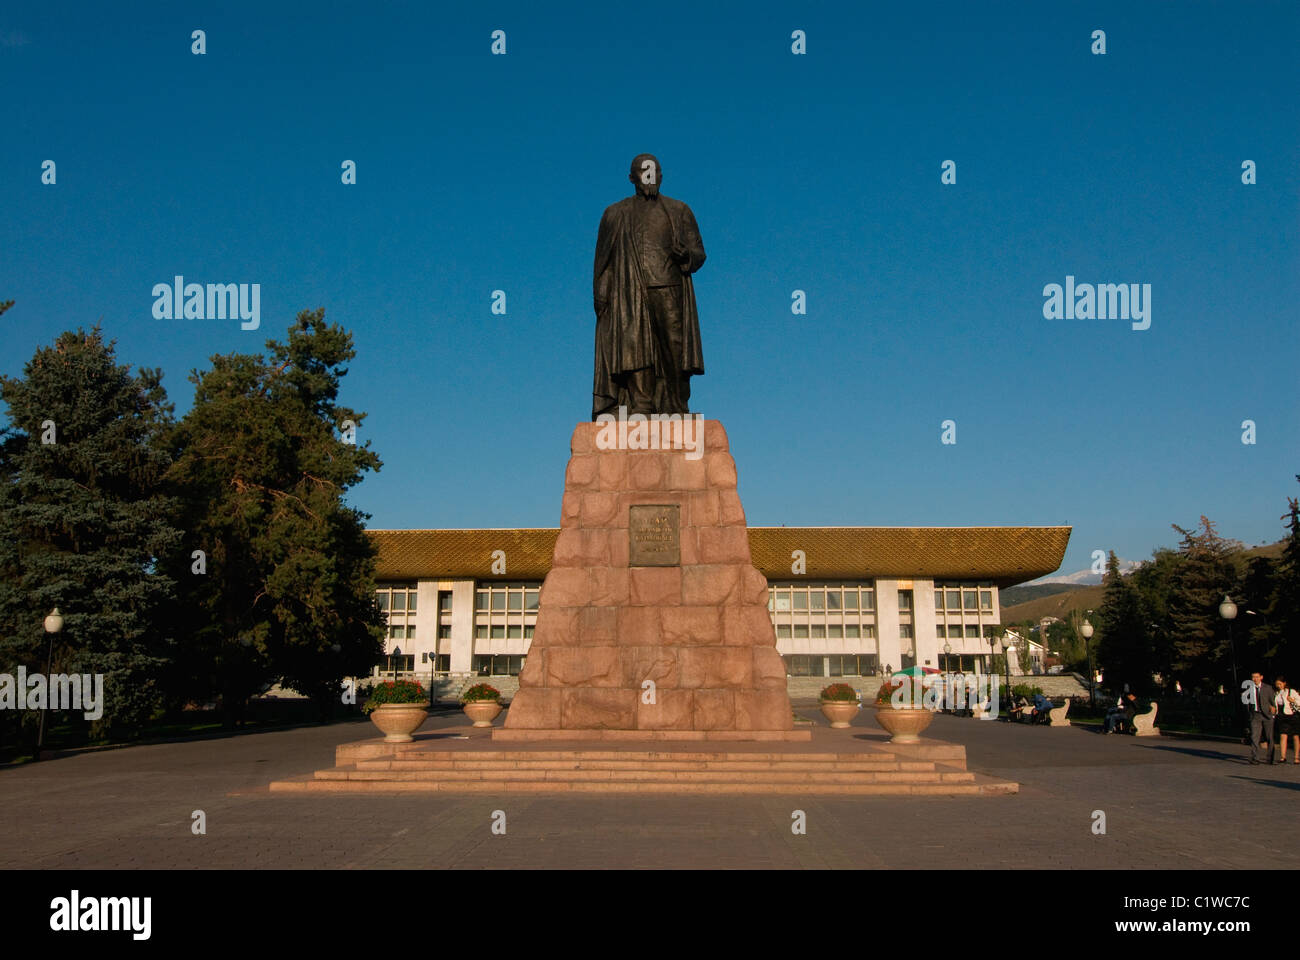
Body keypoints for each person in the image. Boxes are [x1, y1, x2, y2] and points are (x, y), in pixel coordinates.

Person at [1246, 671, 1277, 765]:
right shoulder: (1249, 688)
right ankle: (1255, 758)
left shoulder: (1268, 688)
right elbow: (1247, 702)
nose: (1255, 679)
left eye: (1257, 677)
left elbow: (1273, 702)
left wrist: (1273, 712)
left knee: (1269, 737)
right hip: (1255, 715)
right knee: (1255, 736)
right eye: (1253, 677)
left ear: (1261, 677)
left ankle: (1270, 758)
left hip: (1267, 715)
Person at [1273, 675, 1300, 764]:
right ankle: (1283, 757)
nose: (1278, 686)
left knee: (1295, 736)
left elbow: (1299, 702)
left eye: (1280, 684)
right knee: (1283, 735)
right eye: (1277, 684)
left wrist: (1292, 700)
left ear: (1284, 683)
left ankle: (1296, 757)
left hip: (1293, 716)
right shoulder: (1277, 693)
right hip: (1282, 716)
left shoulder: (1291, 692)